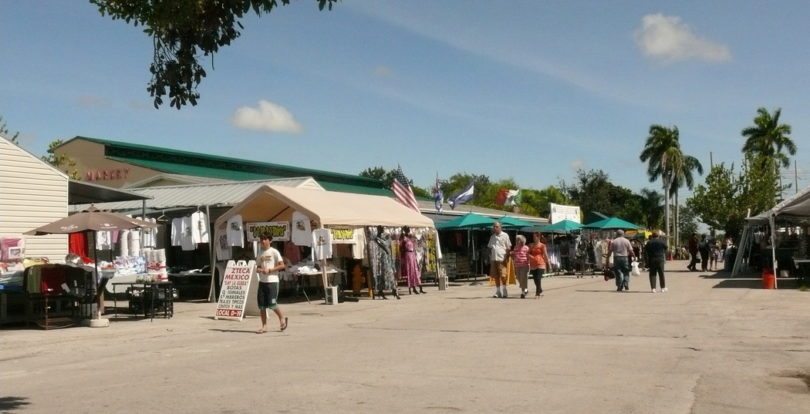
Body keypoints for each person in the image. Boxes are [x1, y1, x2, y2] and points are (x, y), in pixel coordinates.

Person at [256, 234, 287, 334]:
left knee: (272, 304)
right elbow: (257, 267)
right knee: (262, 306)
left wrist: (270, 270)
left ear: (270, 241)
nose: (263, 241)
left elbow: (282, 265)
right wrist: (260, 270)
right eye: (261, 239)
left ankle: (282, 318)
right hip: (262, 282)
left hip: (272, 281)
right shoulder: (260, 252)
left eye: (265, 239)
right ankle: (264, 326)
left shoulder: (274, 252)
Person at [374, 226, 400, 299]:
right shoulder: (377, 238)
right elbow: (384, 246)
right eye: (380, 229)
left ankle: (394, 290)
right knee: (383, 275)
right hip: (381, 259)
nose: (382, 230)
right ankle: (381, 291)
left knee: (390, 274)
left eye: (382, 229)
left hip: (387, 259)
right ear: (378, 230)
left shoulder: (385, 237)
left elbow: (387, 245)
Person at [488, 221, 512, 298]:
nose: (495, 228)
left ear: (500, 227)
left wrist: (506, 257)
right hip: (494, 258)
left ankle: (504, 290)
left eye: (497, 226)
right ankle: (498, 291)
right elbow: (489, 247)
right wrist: (490, 257)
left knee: (503, 275)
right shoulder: (492, 237)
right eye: (494, 226)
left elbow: (508, 247)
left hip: (502, 258)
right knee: (495, 275)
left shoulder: (505, 235)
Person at [400, 226, 425, 295]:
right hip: (408, 255)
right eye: (407, 230)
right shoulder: (403, 238)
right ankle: (412, 288)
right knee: (410, 271)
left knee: (415, 270)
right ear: (404, 230)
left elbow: (414, 246)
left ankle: (420, 288)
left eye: (408, 230)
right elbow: (401, 247)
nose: (408, 231)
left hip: (413, 255)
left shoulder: (411, 237)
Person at [528, 232, 551, 298]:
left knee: (538, 278)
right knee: (535, 279)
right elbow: (527, 253)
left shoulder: (542, 245)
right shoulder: (531, 245)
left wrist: (549, 264)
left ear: (538, 237)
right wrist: (530, 256)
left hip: (541, 263)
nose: (533, 238)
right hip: (533, 264)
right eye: (533, 237)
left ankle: (537, 293)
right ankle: (540, 289)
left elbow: (546, 255)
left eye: (535, 237)